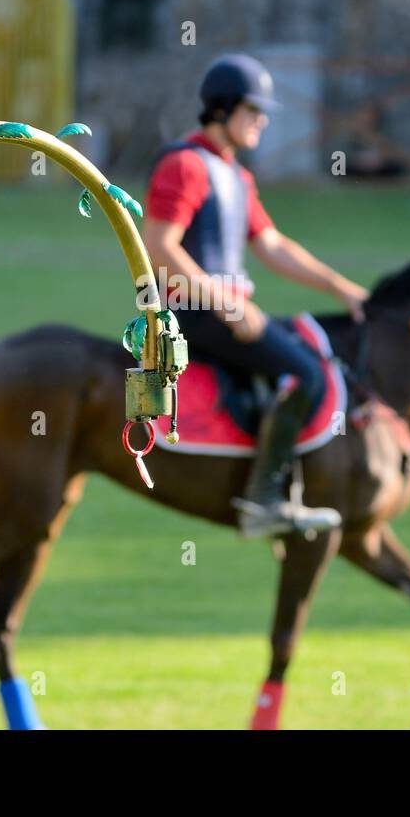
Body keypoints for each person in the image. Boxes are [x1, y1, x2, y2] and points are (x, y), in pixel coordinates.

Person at [143, 54, 370, 539]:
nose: (263, 120)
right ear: (222, 110)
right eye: (253, 110)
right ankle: (264, 503)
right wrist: (226, 303)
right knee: (305, 372)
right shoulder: (184, 164)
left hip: (223, 309)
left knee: (309, 347)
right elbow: (159, 248)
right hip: (192, 314)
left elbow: (273, 246)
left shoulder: (235, 175)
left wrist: (341, 288)